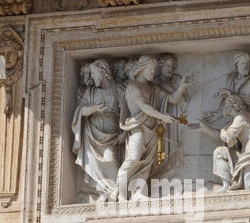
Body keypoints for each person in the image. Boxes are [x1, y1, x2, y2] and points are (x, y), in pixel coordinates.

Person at [117, 54, 189, 200]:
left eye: (154, 70)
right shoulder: (133, 86)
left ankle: (137, 192)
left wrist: (182, 86)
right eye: (151, 70)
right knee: (134, 158)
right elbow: (144, 107)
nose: (152, 73)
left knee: (147, 164)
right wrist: (162, 117)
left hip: (152, 130)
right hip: (138, 127)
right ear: (142, 68)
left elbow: (173, 99)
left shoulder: (153, 88)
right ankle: (117, 191)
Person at [190, 90, 250, 192]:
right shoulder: (238, 118)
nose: (221, 109)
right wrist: (205, 128)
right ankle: (227, 185)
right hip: (244, 150)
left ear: (230, 106)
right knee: (219, 152)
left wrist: (222, 132)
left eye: (223, 106)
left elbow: (228, 137)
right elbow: (223, 135)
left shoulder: (241, 117)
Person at [71, 59, 124, 202]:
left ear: (103, 72)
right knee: (98, 166)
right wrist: (95, 109)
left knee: (110, 159)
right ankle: (108, 192)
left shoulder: (118, 89)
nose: (92, 77)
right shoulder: (90, 92)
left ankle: (119, 192)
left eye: (94, 74)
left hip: (112, 135)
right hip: (93, 134)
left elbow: (127, 111)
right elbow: (81, 111)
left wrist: (125, 131)